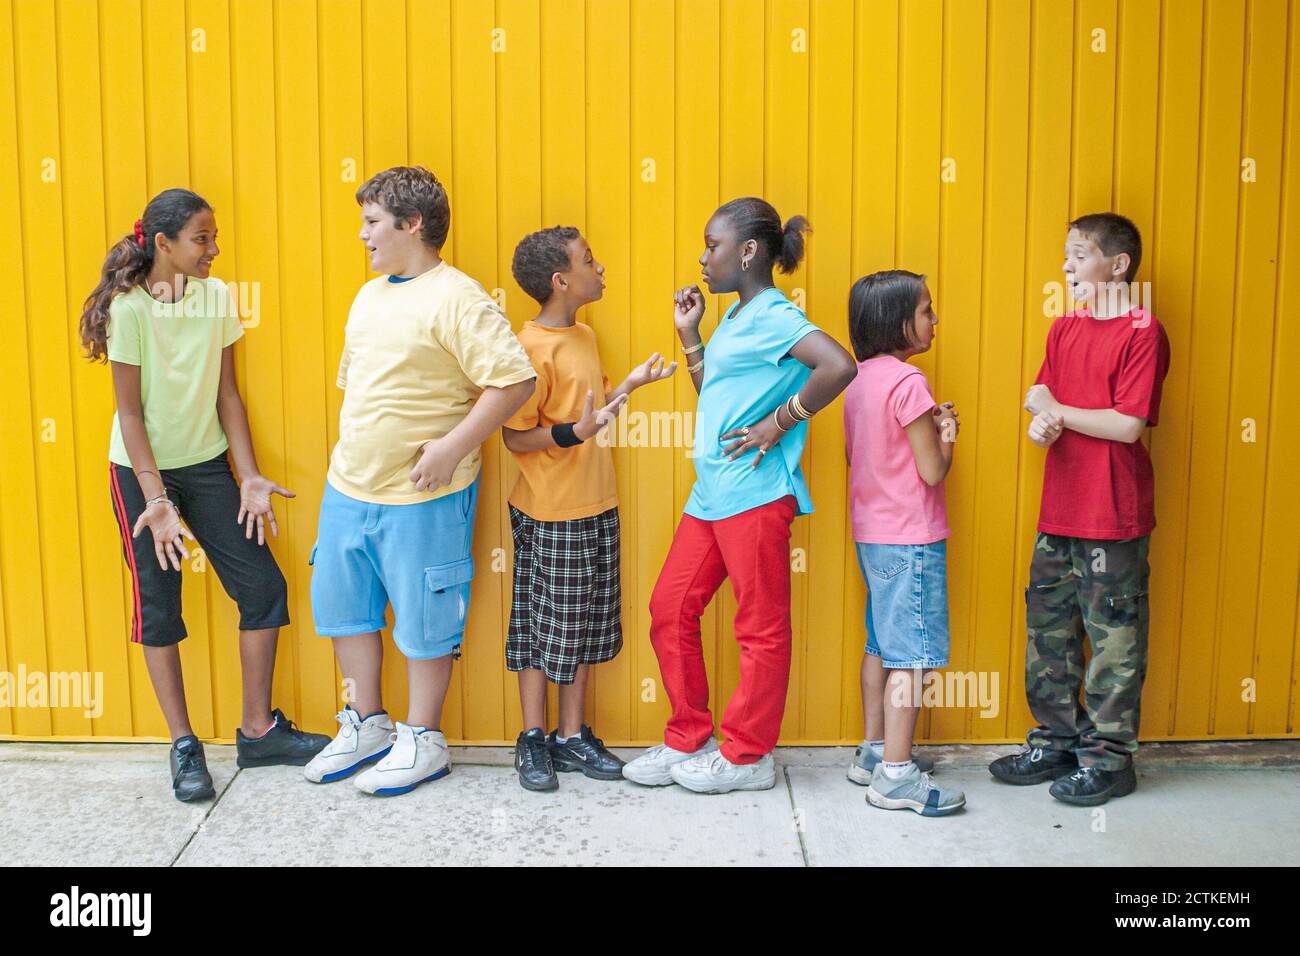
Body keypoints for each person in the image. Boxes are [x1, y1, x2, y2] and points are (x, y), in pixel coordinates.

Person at [81, 187, 327, 803]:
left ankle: (258, 730)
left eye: (215, 237)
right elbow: (130, 417)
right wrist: (156, 501)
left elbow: (228, 397)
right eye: (202, 238)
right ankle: (184, 743)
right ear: (163, 243)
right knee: (160, 606)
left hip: (208, 463)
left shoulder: (217, 297)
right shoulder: (128, 308)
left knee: (264, 588)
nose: (214, 250)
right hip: (143, 474)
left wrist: (246, 475)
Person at [304, 166, 536, 796]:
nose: (362, 235)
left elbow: (516, 381)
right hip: (349, 487)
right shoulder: (369, 295)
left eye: (372, 222)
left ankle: (423, 738)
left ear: (412, 224)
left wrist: (453, 446)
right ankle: (366, 724)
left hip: (425, 494)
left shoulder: (459, 297)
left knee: (425, 619)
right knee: (345, 612)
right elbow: (358, 389)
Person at [622, 197, 857, 794]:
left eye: (712, 245)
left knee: (760, 627)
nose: (703, 259)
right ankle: (688, 737)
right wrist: (690, 336)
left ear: (748, 251)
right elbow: (717, 394)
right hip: (714, 494)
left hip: (755, 494)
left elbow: (838, 365)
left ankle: (749, 756)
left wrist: (782, 420)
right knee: (670, 609)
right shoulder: (735, 318)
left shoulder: (775, 315)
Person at [989, 212, 1170, 806]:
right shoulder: (1065, 329)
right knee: (1049, 633)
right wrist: (1044, 424)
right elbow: (1046, 408)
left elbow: (1127, 425)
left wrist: (1058, 410)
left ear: (1117, 265)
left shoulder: (1143, 331)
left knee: (1113, 640)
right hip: (1058, 510)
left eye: (1079, 256)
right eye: (1064, 256)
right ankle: (1056, 742)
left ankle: (1112, 761)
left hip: (1112, 514)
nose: (1066, 267)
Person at [502, 225, 675, 791]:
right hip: (551, 512)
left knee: (583, 626)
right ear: (561, 280)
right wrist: (575, 434)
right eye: (589, 260)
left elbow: (593, 411)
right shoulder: (530, 349)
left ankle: (571, 736)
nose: (599, 268)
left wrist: (631, 384)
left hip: (597, 505)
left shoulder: (584, 335)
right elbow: (516, 438)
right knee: (538, 625)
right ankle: (534, 738)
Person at [842, 270, 965, 816]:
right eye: (926, 311)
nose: (934, 321)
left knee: (880, 646)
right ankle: (896, 774)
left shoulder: (857, 379)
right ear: (900, 323)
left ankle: (873, 751)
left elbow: (857, 458)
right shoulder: (910, 384)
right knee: (911, 657)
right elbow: (932, 472)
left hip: (872, 536)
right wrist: (947, 437)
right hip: (911, 539)